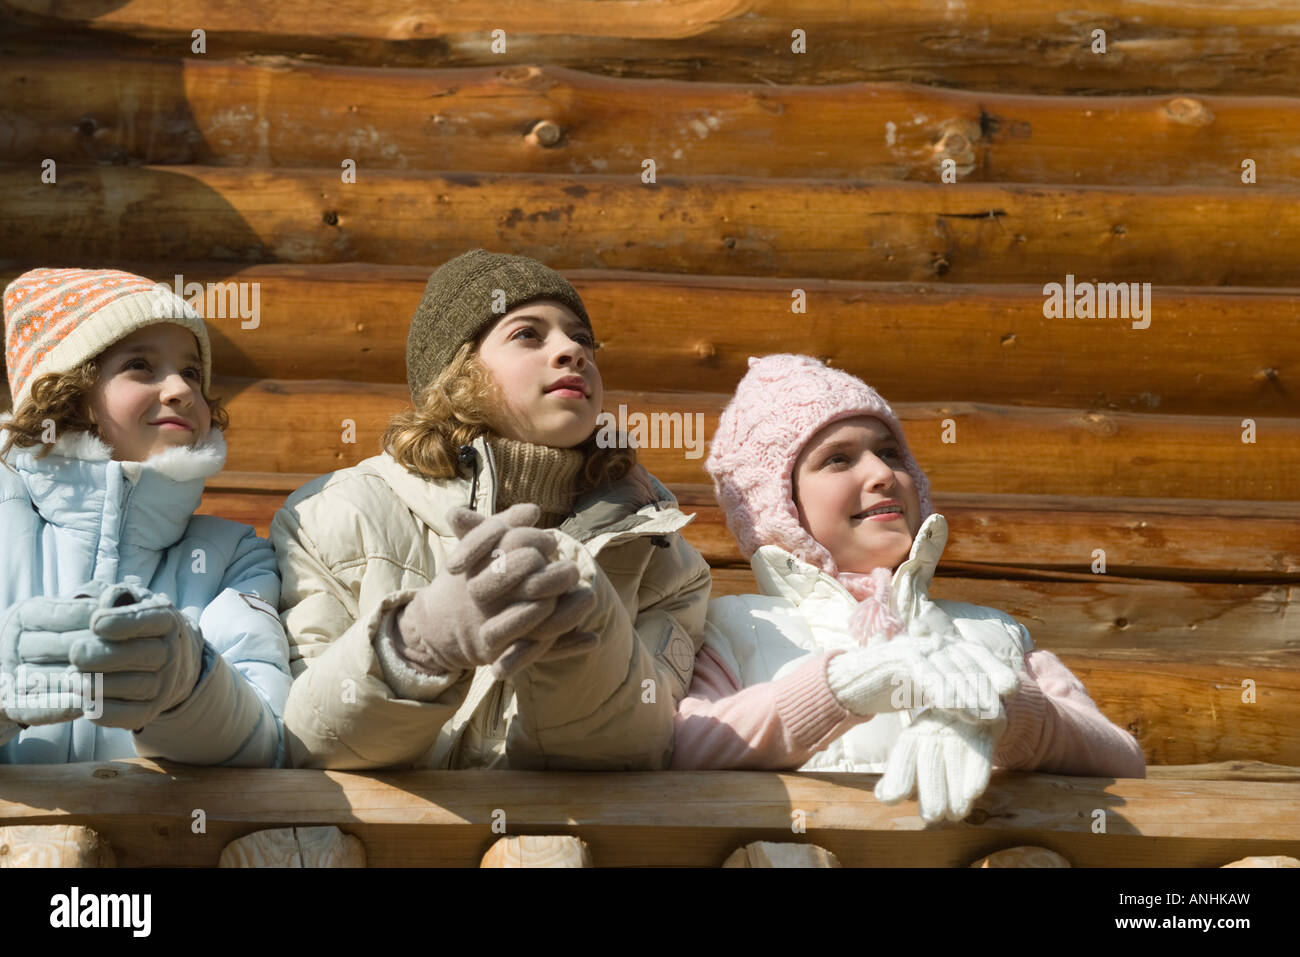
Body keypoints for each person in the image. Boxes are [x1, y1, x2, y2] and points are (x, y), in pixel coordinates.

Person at [272, 249, 711, 770]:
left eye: (582, 338)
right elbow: (309, 741)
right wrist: (418, 644)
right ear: (458, 373)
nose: (572, 351)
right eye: (529, 334)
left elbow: (639, 744)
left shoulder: (659, 550)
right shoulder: (335, 515)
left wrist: (582, 639)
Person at [673, 354, 1145, 821]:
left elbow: (1121, 759)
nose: (881, 474)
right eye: (838, 459)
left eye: (890, 453)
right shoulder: (733, 628)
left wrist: (1008, 714)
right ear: (779, 506)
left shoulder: (993, 633)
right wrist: (842, 687)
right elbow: (684, 746)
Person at [0, 267, 291, 766]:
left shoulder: (233, 557)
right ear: (68, 394)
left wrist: (187, 682)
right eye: (141, 365)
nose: (180, 388)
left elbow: (267, 742)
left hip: (165, 839)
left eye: (192, 373)